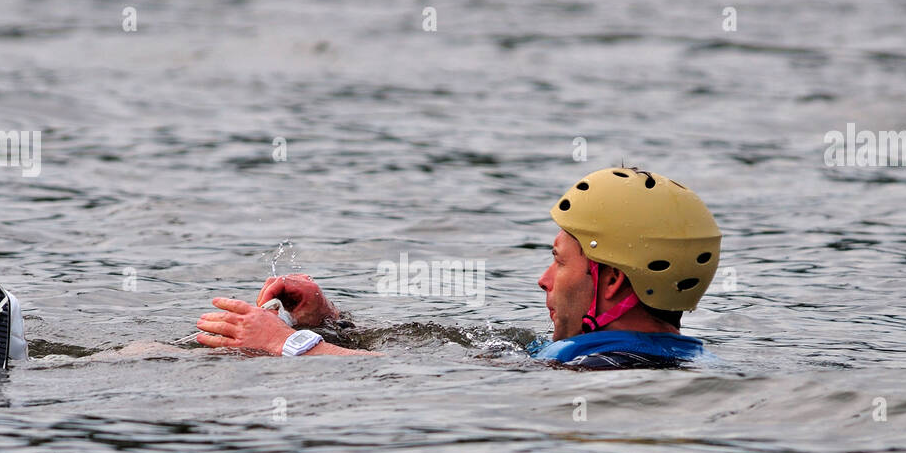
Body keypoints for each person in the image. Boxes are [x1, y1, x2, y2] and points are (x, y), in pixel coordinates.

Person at [191, 166, 722, 368]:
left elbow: (400, 385)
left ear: (612, 284)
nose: (543, 279)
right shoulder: (652, 361)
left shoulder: (603, 374)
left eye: (559, 261)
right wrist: (328, 324)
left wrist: (284, 344)